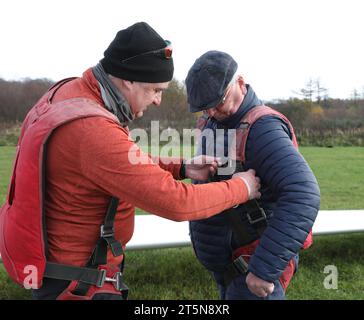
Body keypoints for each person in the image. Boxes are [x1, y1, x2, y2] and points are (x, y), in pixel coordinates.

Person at [0, 24, 261, 300]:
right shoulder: (92, 129)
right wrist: (242, 188)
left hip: (64, 271)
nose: (159, 100)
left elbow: (118, 161)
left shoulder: (70, 94)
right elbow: (176, 202)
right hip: (79, 283)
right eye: (155, 90)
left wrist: (182, 167)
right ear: (128, 81)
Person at [185, 50, 321, 300]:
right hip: (230, 269)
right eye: (205, 108)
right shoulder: (214, 121)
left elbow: (304, 194)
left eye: (218, 102)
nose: (212, 112)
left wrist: (264, 269)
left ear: (239, 82)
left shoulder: (263, 129)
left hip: (251, 267)